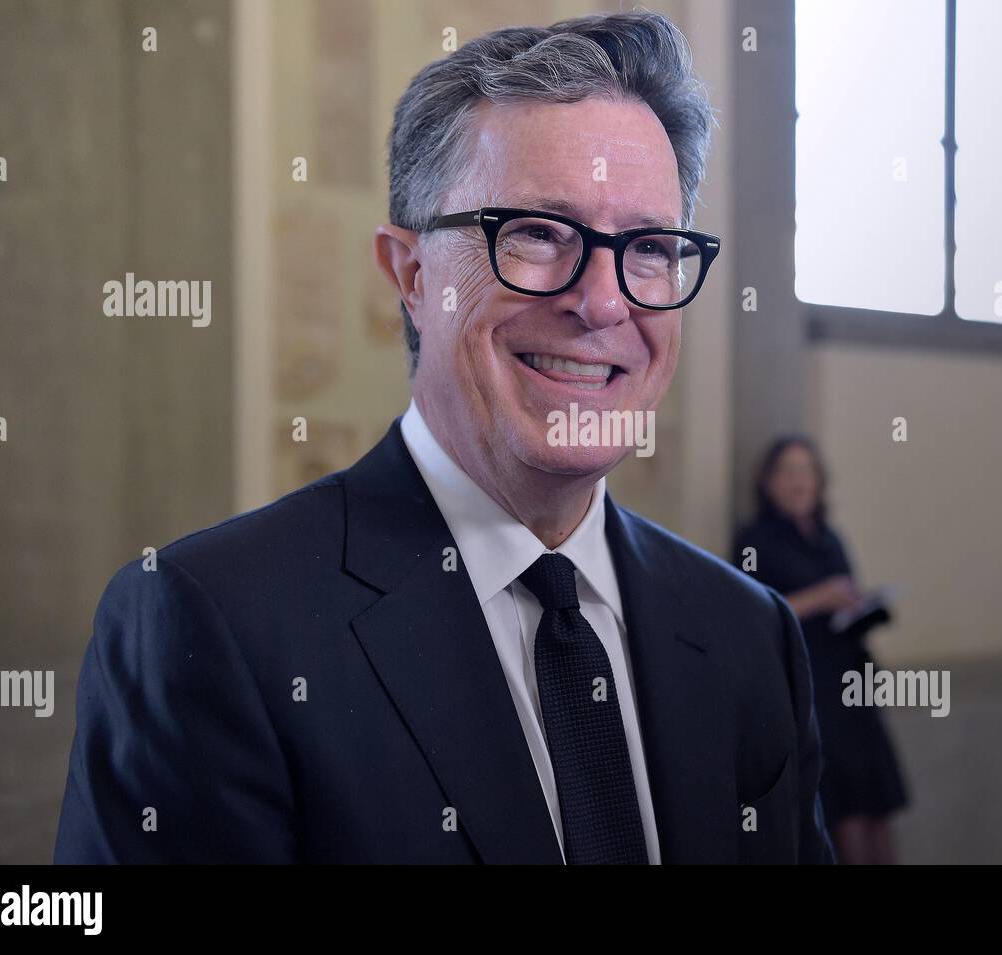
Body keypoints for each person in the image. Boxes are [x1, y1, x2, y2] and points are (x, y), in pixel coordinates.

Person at [54, 12, 835, 865]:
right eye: (539, 234)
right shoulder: (209, 626)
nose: (603, 302)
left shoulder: (748, 632)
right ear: (412, 275)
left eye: (648, 247)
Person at [735, 436, 908, 864]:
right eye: (788, 472)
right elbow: (749, 615)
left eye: (807, 471)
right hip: (811, 691)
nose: (799, 481)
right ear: (768, 482)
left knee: (876, 805)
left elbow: (844, 597)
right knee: (842, 808)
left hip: (852, 682)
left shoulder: (829, 537)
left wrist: (863, 607)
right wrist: (821, 597)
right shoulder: (756, 540)